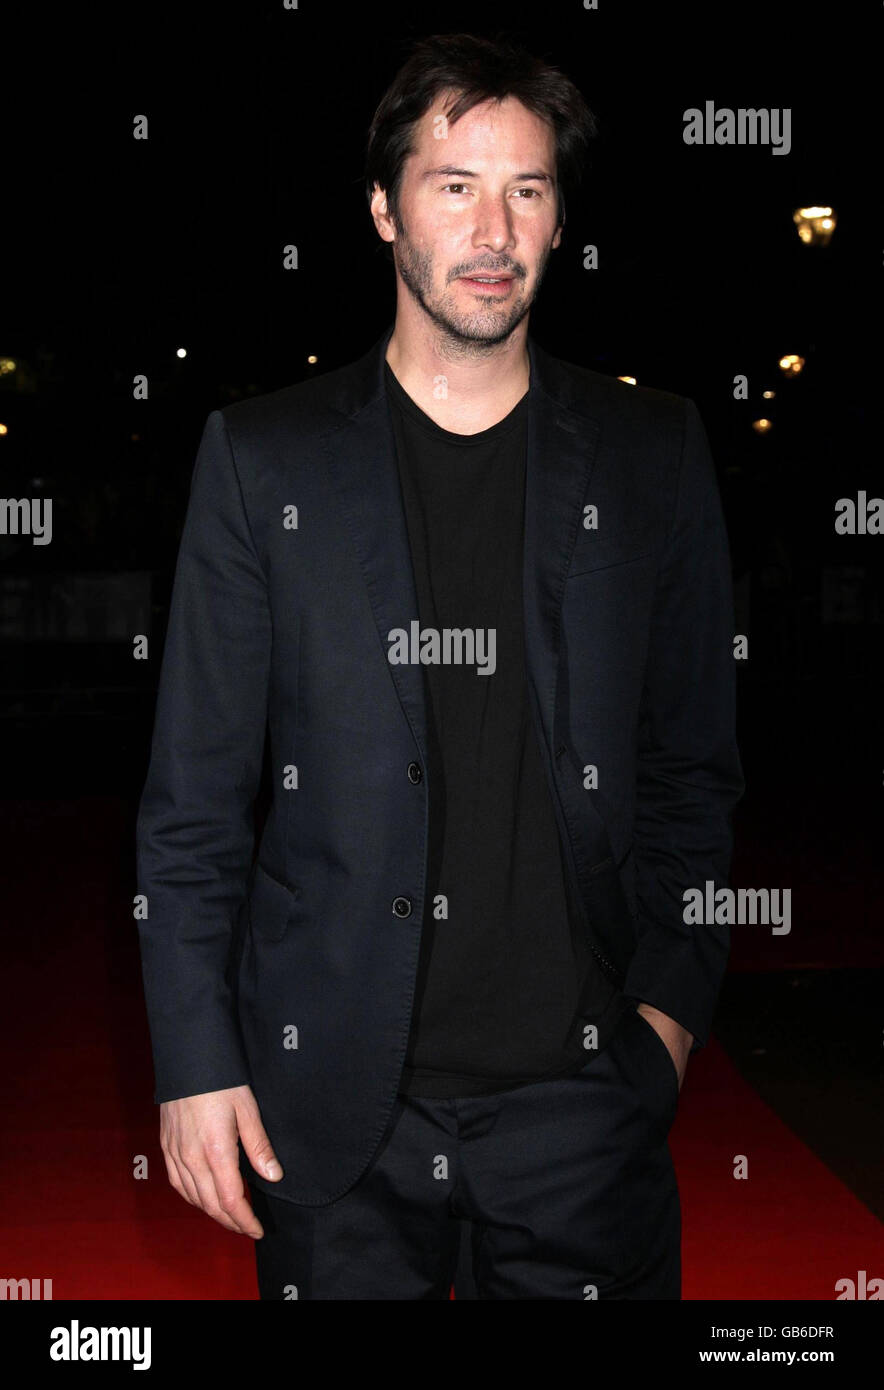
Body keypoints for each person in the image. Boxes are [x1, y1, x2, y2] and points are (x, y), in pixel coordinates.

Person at [136, 32, 744, 1300]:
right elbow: (192, 801)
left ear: (558, 219)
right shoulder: (264, 460)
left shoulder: (650, 452)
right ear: (381, 209)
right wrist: (196, 1060)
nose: (492, 227)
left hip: (583, 1109)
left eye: (525, 190)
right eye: (452, 183)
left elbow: (694, 769)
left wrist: (662, 1031)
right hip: (335, 1120)